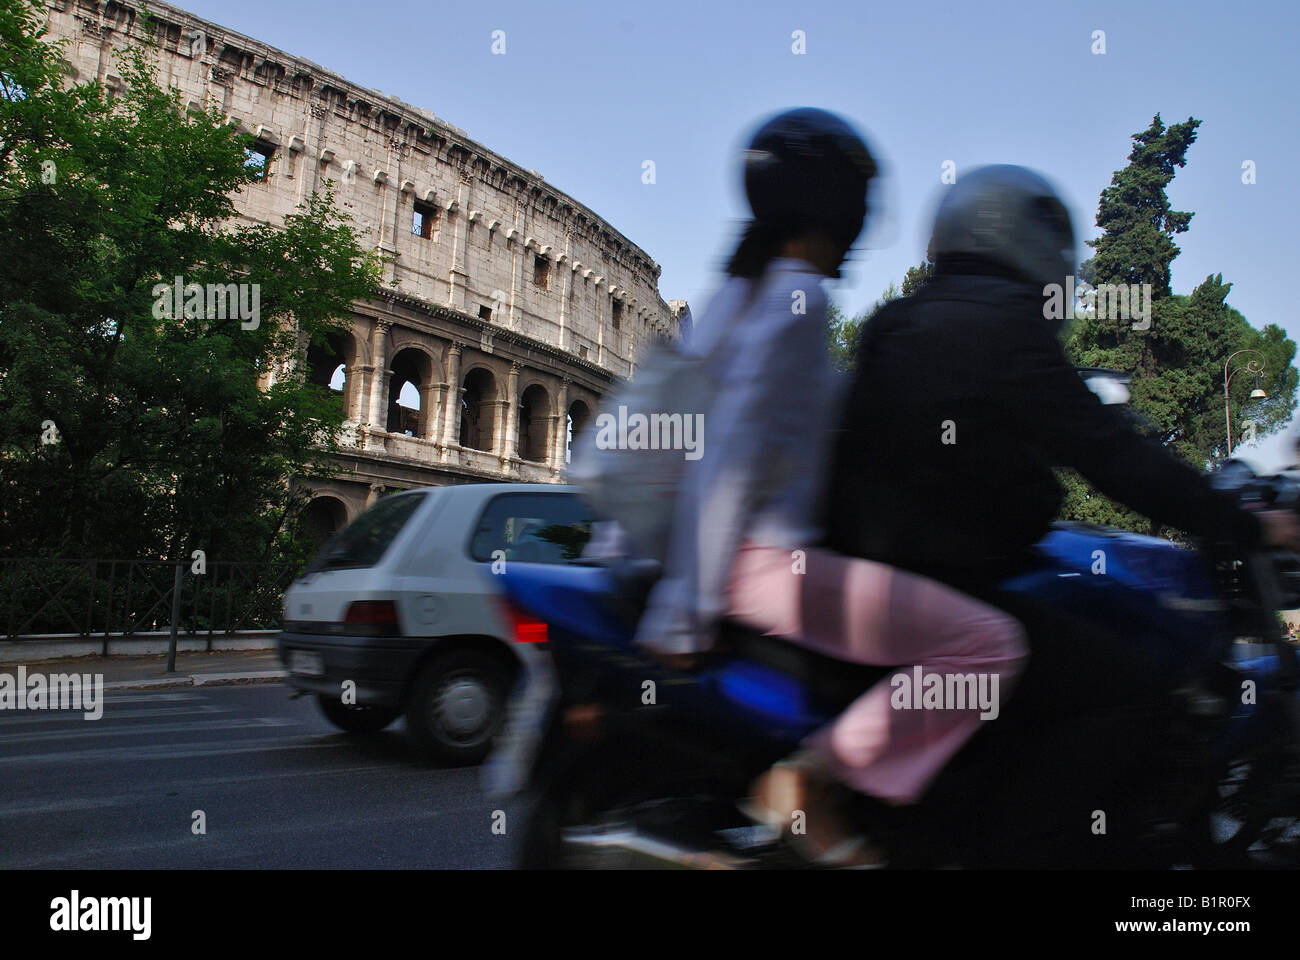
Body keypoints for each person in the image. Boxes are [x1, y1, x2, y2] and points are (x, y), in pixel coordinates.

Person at [633, 111, 1028, 866]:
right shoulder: (797, 300)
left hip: (714, 555)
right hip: (766, 566)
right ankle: (811, 783)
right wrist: (684, 613)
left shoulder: (734, 294)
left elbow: (676, 426)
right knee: (987, 644)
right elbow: (730, 455)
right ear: (838, 207)